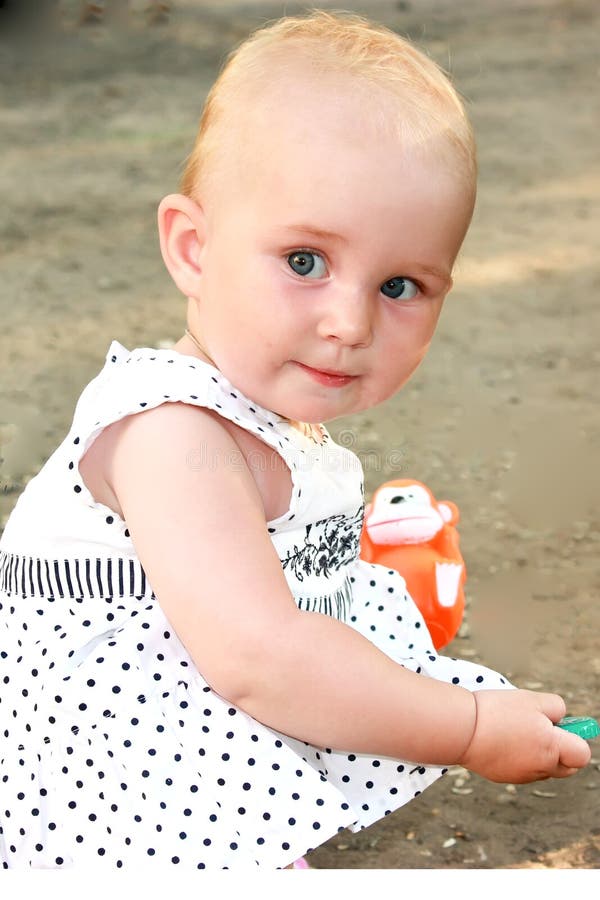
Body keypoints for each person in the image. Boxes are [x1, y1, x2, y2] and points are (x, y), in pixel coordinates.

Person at [0, 10, 590, 871]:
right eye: (305, 260)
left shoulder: (260, 413)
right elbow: (262, 659)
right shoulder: (170, 432)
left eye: (400, 284)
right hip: (95, 804)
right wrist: (461, 727)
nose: (348, 323)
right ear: (194, 250)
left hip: (169, 766)